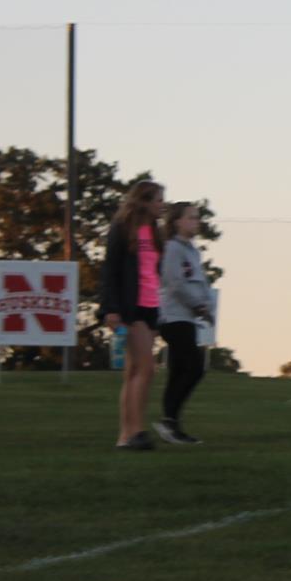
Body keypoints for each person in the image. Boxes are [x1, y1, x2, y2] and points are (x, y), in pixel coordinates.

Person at [101, 179, 167, 451]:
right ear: (144, 201)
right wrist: (111, 308)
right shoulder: (123, 228)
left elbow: (155, 271)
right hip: (132, 306)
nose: (162, 205)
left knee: (135, 371)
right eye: (158, 200)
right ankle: (135, 430)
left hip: (151, 306)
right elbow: (110, 269)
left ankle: (126, 435)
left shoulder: (155, 232)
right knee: (146, 368)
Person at [154, 201, 216, 445]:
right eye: (191, 217)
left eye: (197, 217)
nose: (196, 222)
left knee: (180, 370)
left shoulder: (192, 251)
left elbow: (200, 283)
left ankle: (171, 422)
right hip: (173, 317)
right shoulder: (172, 248)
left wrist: (206, 305)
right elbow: (175, 283)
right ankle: (169, 421)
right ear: (177, 221)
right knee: (194, 367)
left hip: (187, 318)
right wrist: (197, 305)